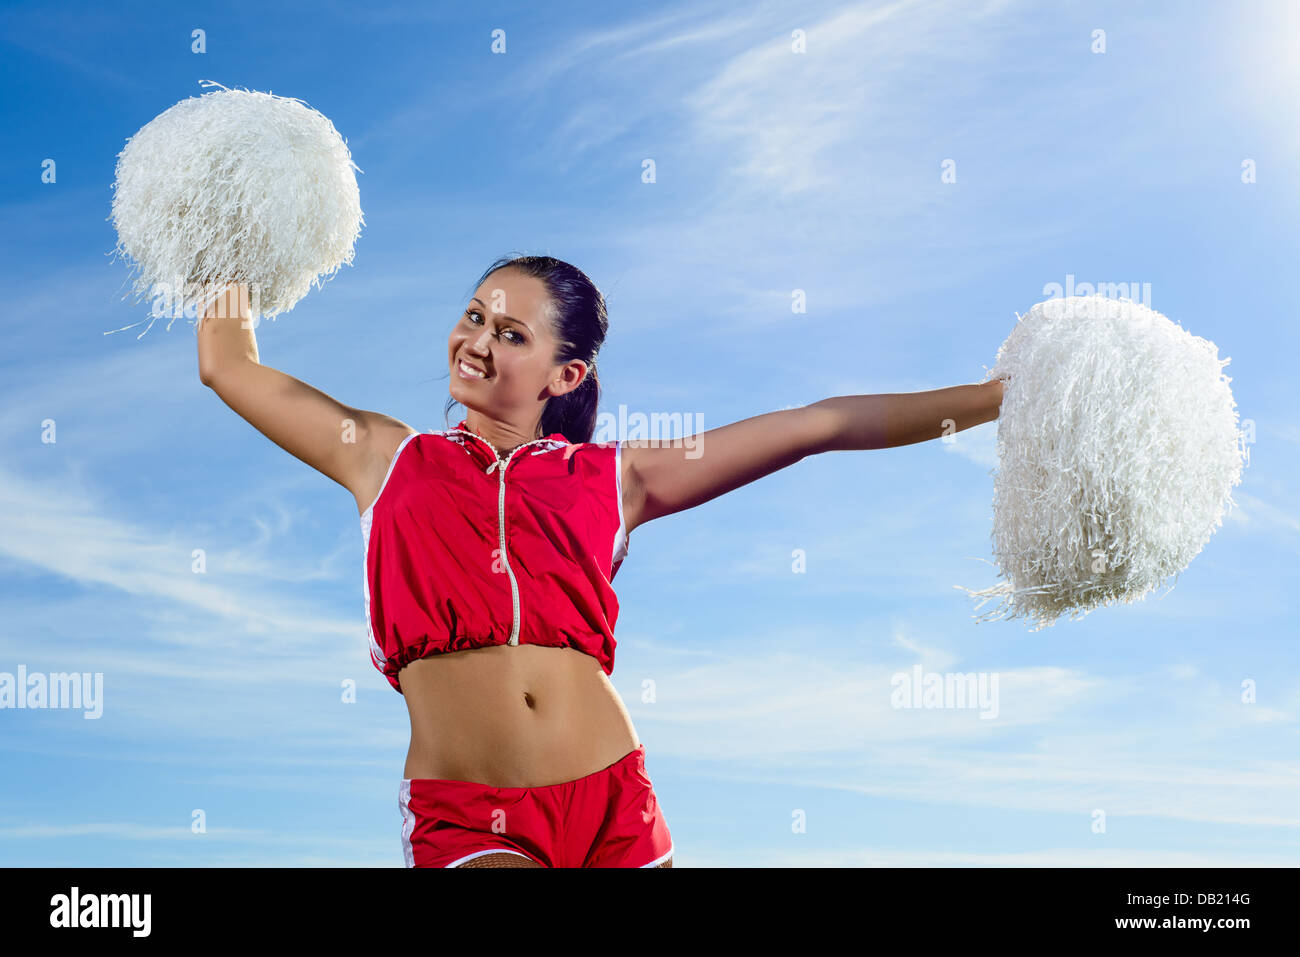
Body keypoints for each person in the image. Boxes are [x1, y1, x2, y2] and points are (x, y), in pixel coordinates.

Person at [197, 256, 1005, 867]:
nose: (477, 342)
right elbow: (226, 365)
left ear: (566, 373)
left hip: (613, 794)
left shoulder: (616, 480)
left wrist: (998, 395)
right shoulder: (381, 454)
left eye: (510, 334)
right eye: (475, 316)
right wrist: (225, 232)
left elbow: (818, 423)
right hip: (470, 812)